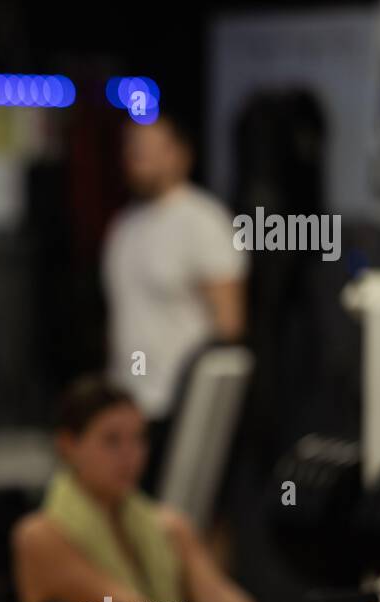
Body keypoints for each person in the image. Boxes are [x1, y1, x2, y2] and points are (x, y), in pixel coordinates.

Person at [9, 376, 326, 602]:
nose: (130, 456)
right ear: (69, 445)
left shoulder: (167, 528)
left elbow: (219, 599)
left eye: (138, 439)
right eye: (111, 441)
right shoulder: (40, 536)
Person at [102, 113, 249, 494]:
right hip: (129, 402)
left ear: (180, 155)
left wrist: (206, 409)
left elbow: (229, 327)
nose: (138, 158)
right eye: (132, 150)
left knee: (190, 518)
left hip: (181, 404)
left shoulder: (203, 222)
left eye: (149, 149)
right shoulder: (125, 226)